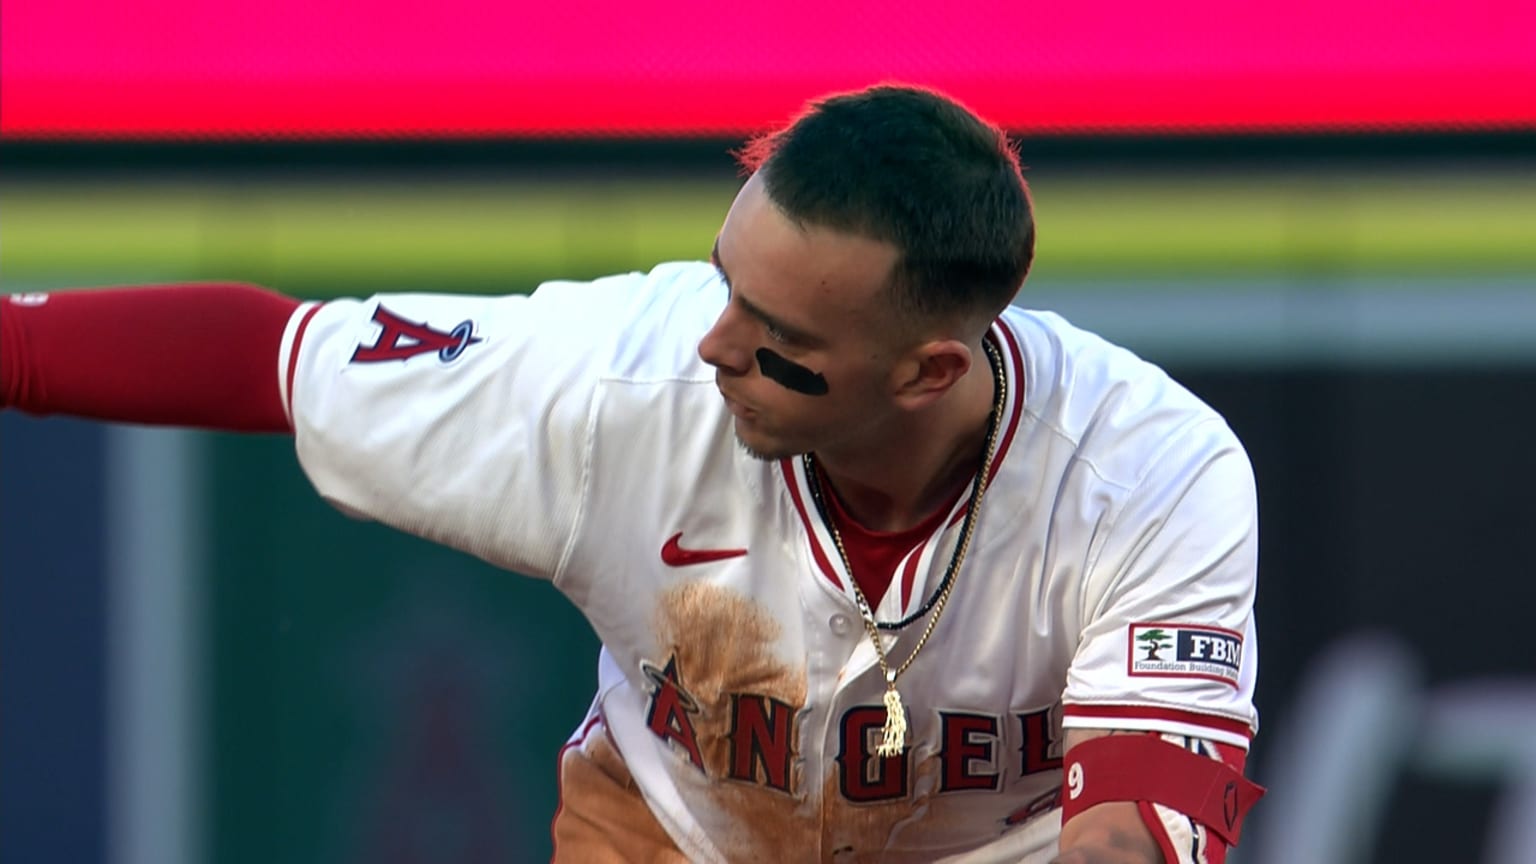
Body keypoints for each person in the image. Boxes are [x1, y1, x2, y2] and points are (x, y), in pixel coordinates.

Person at [1, 84, 1263, 863]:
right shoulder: (621, 383)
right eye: (728, 281)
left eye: (782, 340)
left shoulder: (1147, 475)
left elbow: (1126, 835)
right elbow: (273, 358)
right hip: (674, 835)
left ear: (928, 373)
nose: (717, 345)